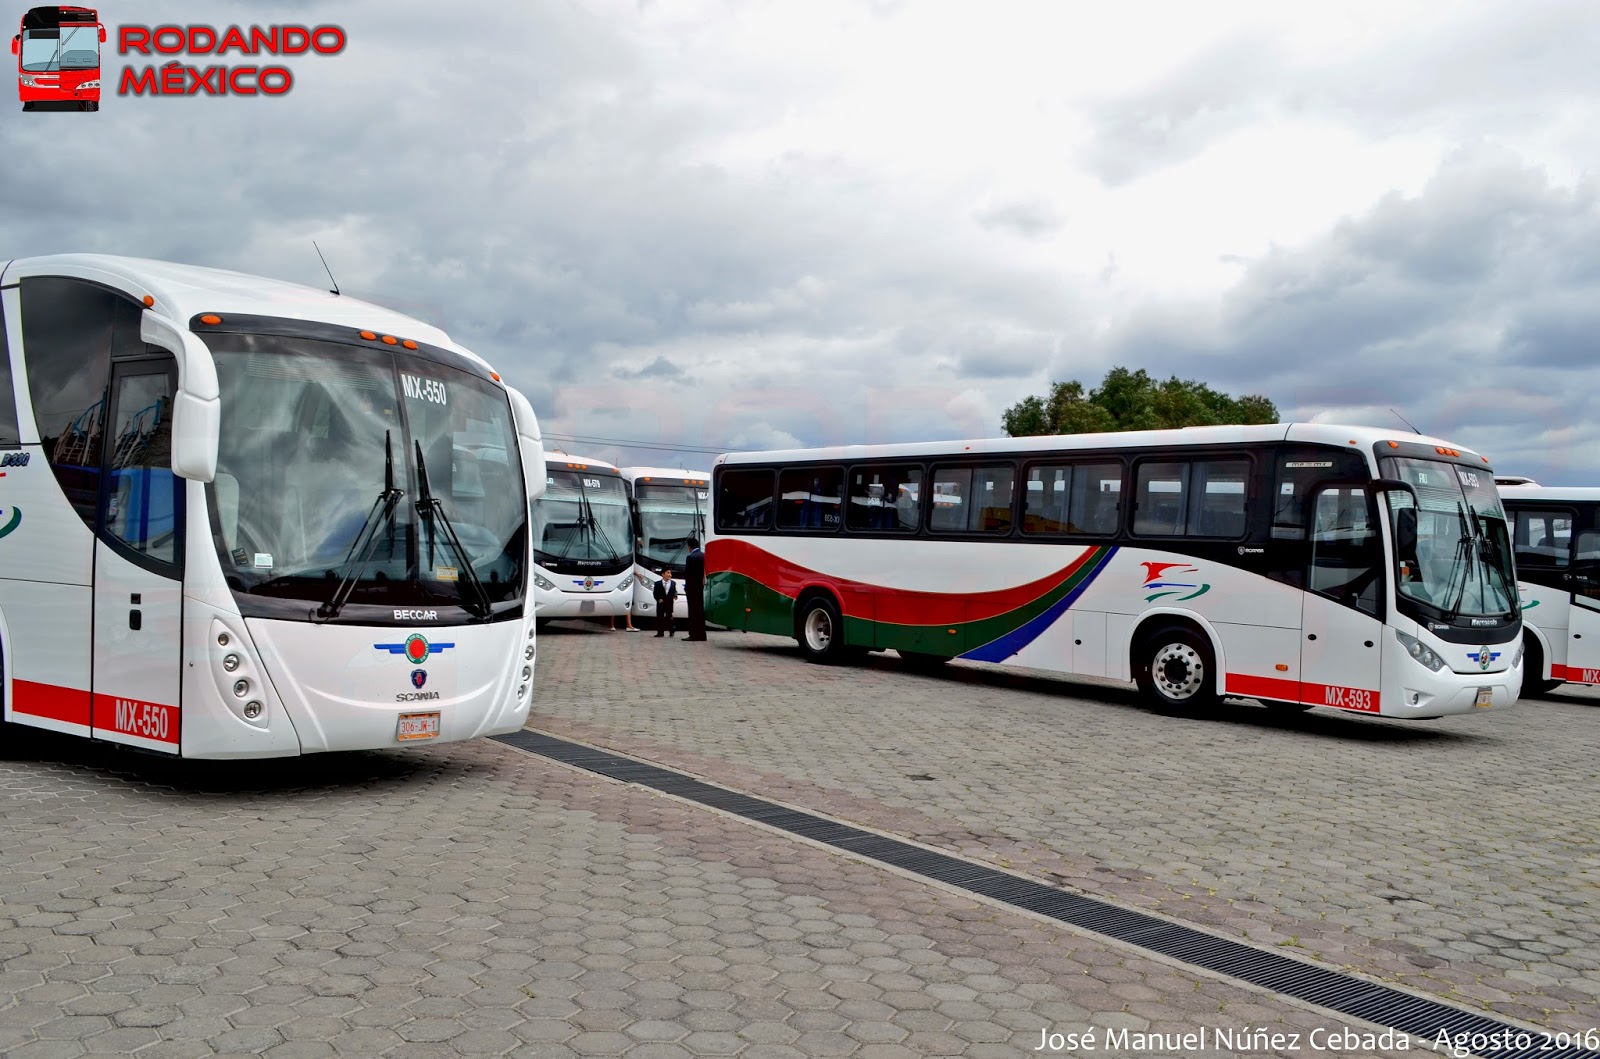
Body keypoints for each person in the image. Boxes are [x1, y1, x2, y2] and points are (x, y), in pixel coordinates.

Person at [683, 538, 707, 641]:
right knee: (700, 611)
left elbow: (688, 575)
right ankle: (702, 634)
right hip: (701, 589)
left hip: (692, 590)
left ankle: (693, 634)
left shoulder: (690, 557)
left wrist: (687, 588)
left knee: (692, 612)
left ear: (689, 547)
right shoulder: (703, 556)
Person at [653, 568, 679, 637]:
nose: (669, 575)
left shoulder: (673, 583)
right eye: (668, 573)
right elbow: (655, 593)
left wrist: (675, 595)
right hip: (661, 603)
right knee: (660, 617)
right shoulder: (657, 583)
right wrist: (658, 599)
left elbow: (675, 591)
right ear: (663, 574)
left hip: (669, 603)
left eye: (670, 573)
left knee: (669, 617)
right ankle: (660, 632)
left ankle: (671, 630)